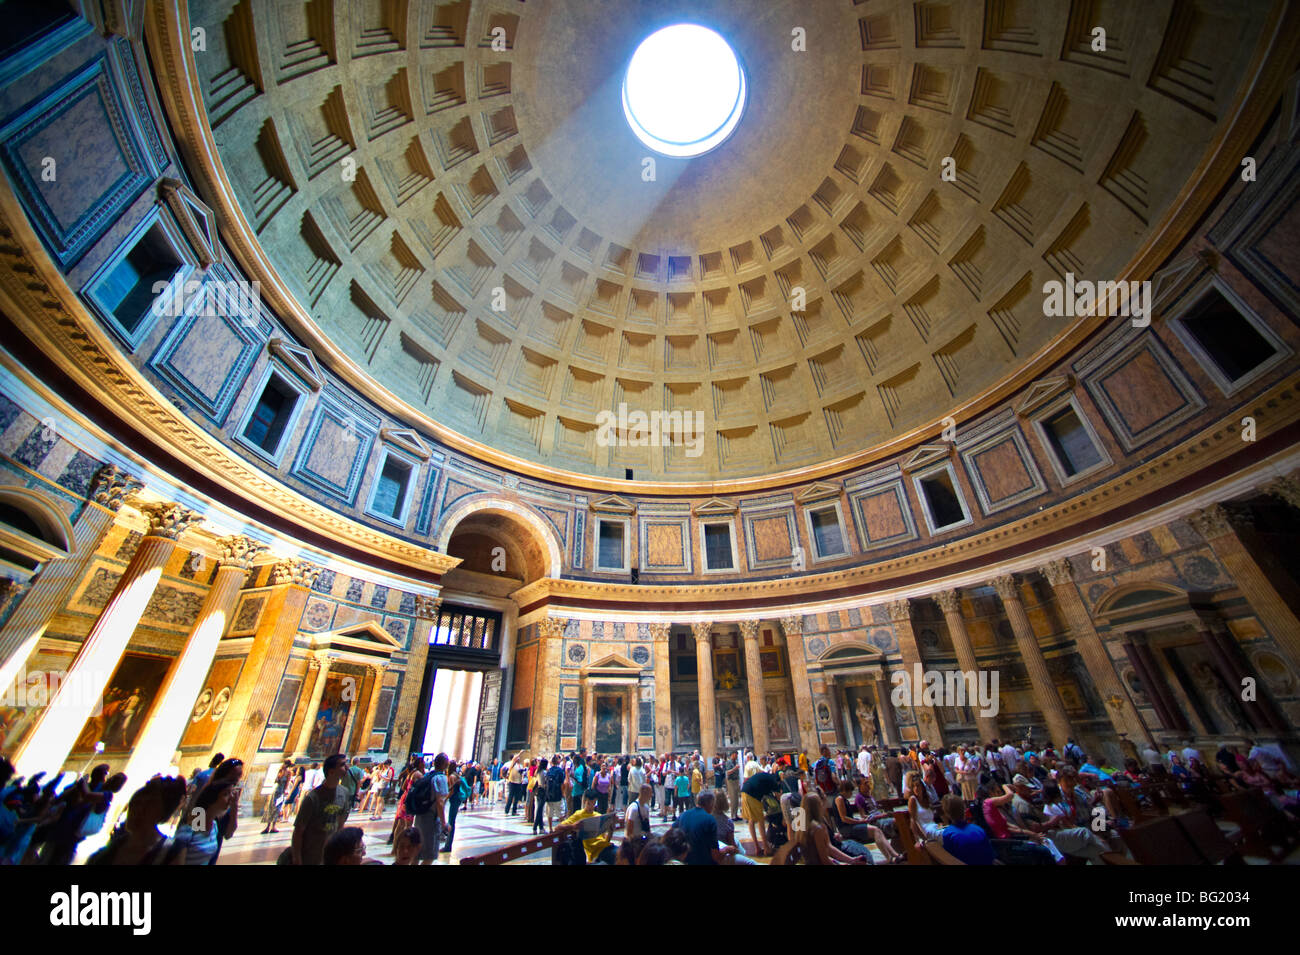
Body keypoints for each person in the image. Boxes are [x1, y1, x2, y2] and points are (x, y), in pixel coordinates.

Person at [87, 776, 189, 866]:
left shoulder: (171, 852)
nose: (137, 812)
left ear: (162, 813)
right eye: (136, 803)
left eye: (147, 806)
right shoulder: (111, 848)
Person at [291, 753, 352, 865]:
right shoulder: (312, 798)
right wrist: (297, 859)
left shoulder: (344, 793)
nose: (347, 767)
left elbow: (340, 824)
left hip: (331, 854)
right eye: (343, 765)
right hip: (311, 854)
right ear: (331, 771)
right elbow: (299, 831)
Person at [173, 779, 237, 865]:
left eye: (231, 793)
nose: (231, 798)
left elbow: (229, 834)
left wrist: (234, 807)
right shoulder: (190, 828)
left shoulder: (214, 826)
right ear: (211, 800)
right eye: (226, 794)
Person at [794, 792, 867, 865]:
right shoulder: (818, 828)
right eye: (820, 803)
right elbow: (824, 860)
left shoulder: (801, 826)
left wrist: (851, 860)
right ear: (817, 806)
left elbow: (828, 849)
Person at [674, 790, 737, 865]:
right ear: (711, 803)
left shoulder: (684, 815)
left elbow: (670, 835)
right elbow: (716, 856)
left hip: (685, 860)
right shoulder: (709, 820)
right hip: (703, 861)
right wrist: (726, 849)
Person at [556, 791, 618, 864]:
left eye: (594, 803)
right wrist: (573, 826)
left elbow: (606, 841)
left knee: (626, 854)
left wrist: (611, 830)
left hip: (607, 847)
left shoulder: (598, 816)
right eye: (589, 803)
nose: (591, 807)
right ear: (584, 801)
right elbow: (558, 827)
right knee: (620, 857)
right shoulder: (579, 815)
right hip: (596, 853)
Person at [410, 753, 449, 865]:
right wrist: (444, 823)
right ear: (445, 764)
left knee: (417, 852)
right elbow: (440, 802)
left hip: (419, 816)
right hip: (431, 819)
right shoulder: (441, 778)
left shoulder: (427, 775)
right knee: (430, 855)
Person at [934, 793, 994, 865]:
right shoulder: (978, 829)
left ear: (947, 814)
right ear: (964, 810)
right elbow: (991, 855)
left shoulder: (948, 833)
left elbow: (949, 859)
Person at [740, 767, 783, 857]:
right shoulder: (774, 781)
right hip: (752, 794)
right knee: (760, 820)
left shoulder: (768, 777)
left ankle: (757, 847)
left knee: (752, 820)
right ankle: (766, 848)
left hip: (745, 791)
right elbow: (779, 797)